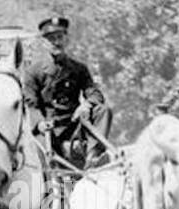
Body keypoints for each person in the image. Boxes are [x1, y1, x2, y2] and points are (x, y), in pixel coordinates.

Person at [21, 15, 112, 168]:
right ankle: (54, 187)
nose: (57, 42)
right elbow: (31, 105)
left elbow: (95, 93)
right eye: (51, 39)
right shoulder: (33, 72)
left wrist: (87, 105)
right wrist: (39, 123)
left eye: (60, 37)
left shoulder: (78, 69)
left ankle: (93, 157)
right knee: (45, 164)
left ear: (66, 39)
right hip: (48, 130)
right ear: (44, 42)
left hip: (73, 125)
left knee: (104, 111)